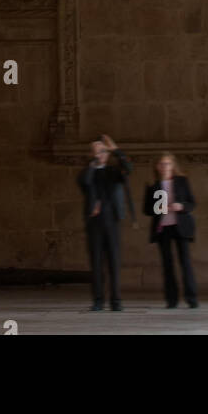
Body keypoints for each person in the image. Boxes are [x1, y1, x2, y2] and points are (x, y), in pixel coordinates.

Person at [76, 133, 133, 311]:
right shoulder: (87, 172)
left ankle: (116, 300)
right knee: (96, 261)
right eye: (96, 151)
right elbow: (85, 182)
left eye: (102, 151)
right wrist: (94, 162)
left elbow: (128, 169)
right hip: (94, 221)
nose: (99, 154)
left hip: (112, 219)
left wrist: (116, 150)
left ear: (107, 154)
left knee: (114, 261)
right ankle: (98, 300)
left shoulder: (113, 171)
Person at [143, 152, 198, 308]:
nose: (164, 167)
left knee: (185, 262)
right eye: (161, 164)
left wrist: (181, 206)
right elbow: (147, 209)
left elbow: (192, 203)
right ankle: (171, 300)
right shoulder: (153, 186)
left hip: (180, 227)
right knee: (167, 264)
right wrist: (158, 208)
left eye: (167, 163)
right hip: (163, 229)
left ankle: (191, 298)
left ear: (173, 165)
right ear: (157, 167)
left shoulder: (182, 181)